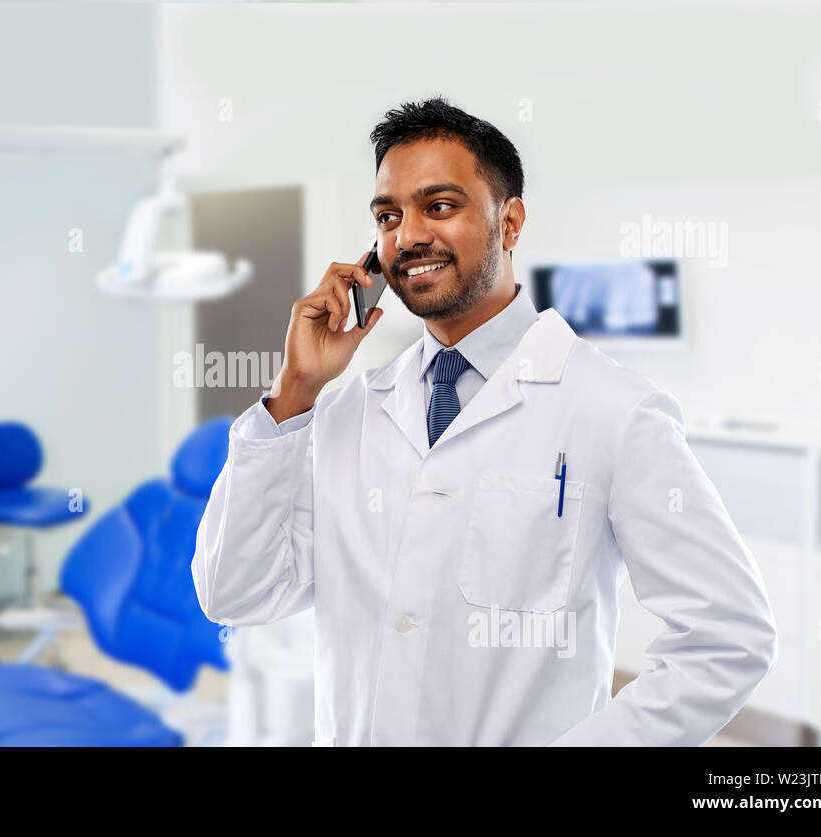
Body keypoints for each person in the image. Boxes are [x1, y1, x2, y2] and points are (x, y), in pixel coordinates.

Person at [191, 97, 777, 746]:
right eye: (389, 216)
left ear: (511, 221)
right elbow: (234, 593)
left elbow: (728, 637)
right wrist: (293, 391)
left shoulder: (613, 410)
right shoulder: (346, 410)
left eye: (440, 206)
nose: (408, 235)